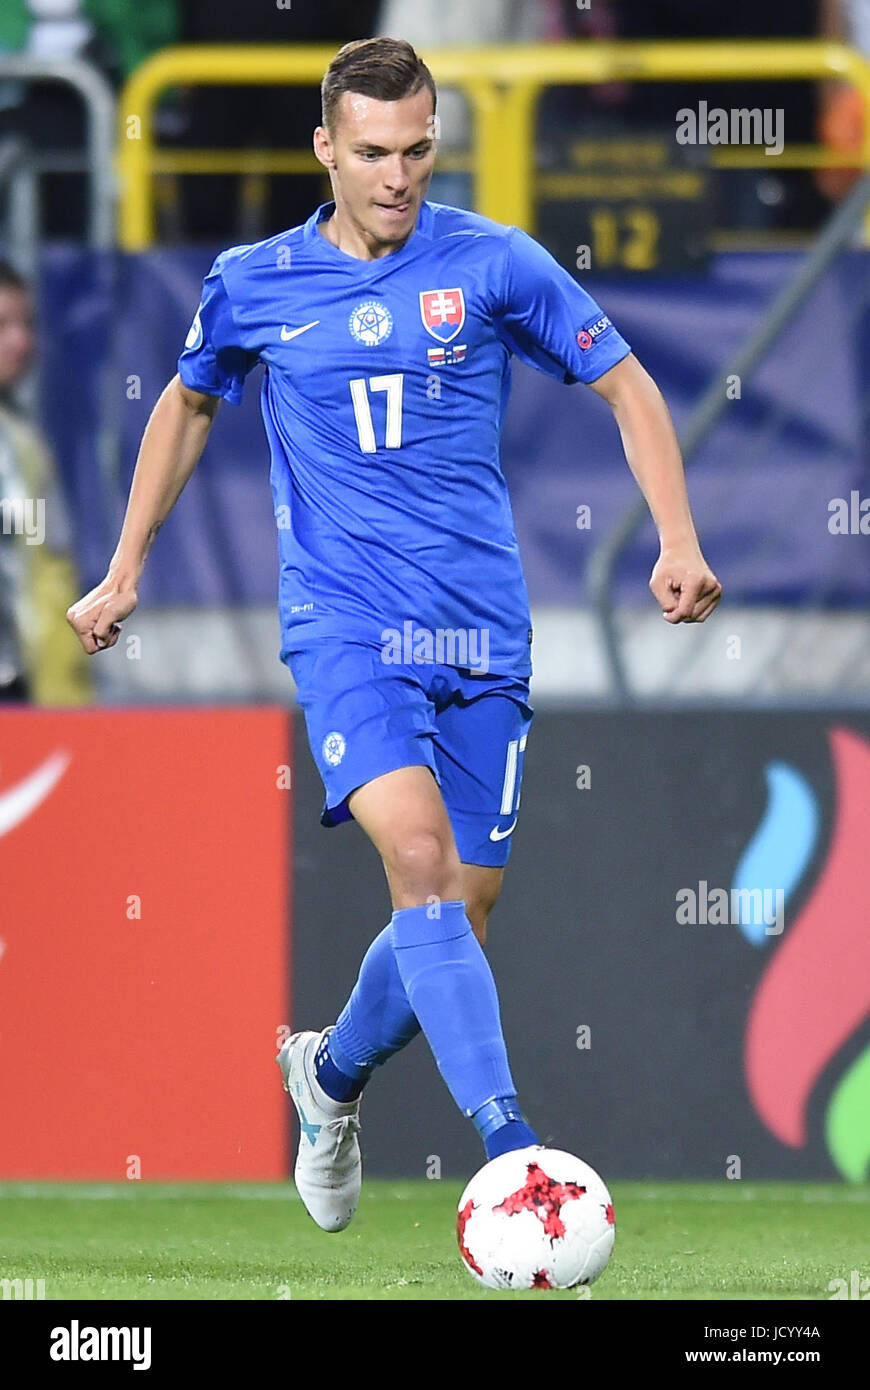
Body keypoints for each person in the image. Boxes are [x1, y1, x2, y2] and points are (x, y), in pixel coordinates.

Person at [66, 37, 722, 1232]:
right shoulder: (254, 280)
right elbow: (187, 401)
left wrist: (675, 539)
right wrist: (122, 571)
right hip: (348, 628)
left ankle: (326, 1076)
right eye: (373, 152)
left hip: (484, 636)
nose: (399, 174)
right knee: (416, 863)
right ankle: (515, 1154)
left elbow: (627, 384)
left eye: (419, 149)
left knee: (459, 915)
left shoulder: (493, 264)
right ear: (326, 148)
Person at [0, 260, 92, 704]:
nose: (21, 340)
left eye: (27, 324)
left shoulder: (23, 441)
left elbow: (44, 567)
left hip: (28, 687)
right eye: (2, 325)